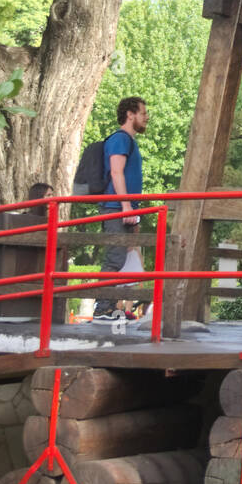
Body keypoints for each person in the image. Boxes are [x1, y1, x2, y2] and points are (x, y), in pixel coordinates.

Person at [91, 97, 149, 322]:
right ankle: (102, 308)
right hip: (116, 207)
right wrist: (126, 206)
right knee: (115, 257)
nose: (146, 118)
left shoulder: (128, 141)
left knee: (123, 258)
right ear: (130, 114)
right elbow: (116, 172)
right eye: (143, 113)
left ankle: (113, 305)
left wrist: (132, 210)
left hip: (124, 207)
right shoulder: (120, 139)